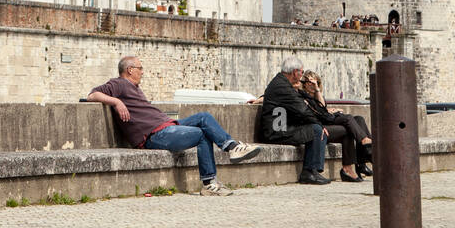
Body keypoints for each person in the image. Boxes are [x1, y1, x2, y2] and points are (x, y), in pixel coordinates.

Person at [88, 56, 260, 196]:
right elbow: (92, 95)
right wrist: (116, 102)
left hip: (165, 126)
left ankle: (232, 147)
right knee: (201, 134)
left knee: (204, 117)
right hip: (154, 135)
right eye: (140, 68)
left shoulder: (135, 88)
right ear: (129, 70)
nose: (142, 72)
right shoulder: (119, 84)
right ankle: (209, 184)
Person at [261, 56, 330, 184]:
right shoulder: (282, 86)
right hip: (276, 132)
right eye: (301, 72)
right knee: (316, 130)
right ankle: (309, 172)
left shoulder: (281, 82)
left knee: (316, 129)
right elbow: (302, 109)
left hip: (281, 128)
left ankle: (314, 171)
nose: (302, 75)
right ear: (295, 72)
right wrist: (319, 124)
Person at [299, 70, 373, 180]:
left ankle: (361, 164)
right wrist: (328, 110)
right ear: (304, 83)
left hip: (325, 120)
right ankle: (365, 145)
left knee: (359, 119)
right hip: (321, 126)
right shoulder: (303, 97)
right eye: (310, 82)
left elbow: (322, 108)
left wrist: (326, 105)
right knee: (348, 121)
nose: (313, 85)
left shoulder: (317, 96)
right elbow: (321, 112)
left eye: (316, 82)